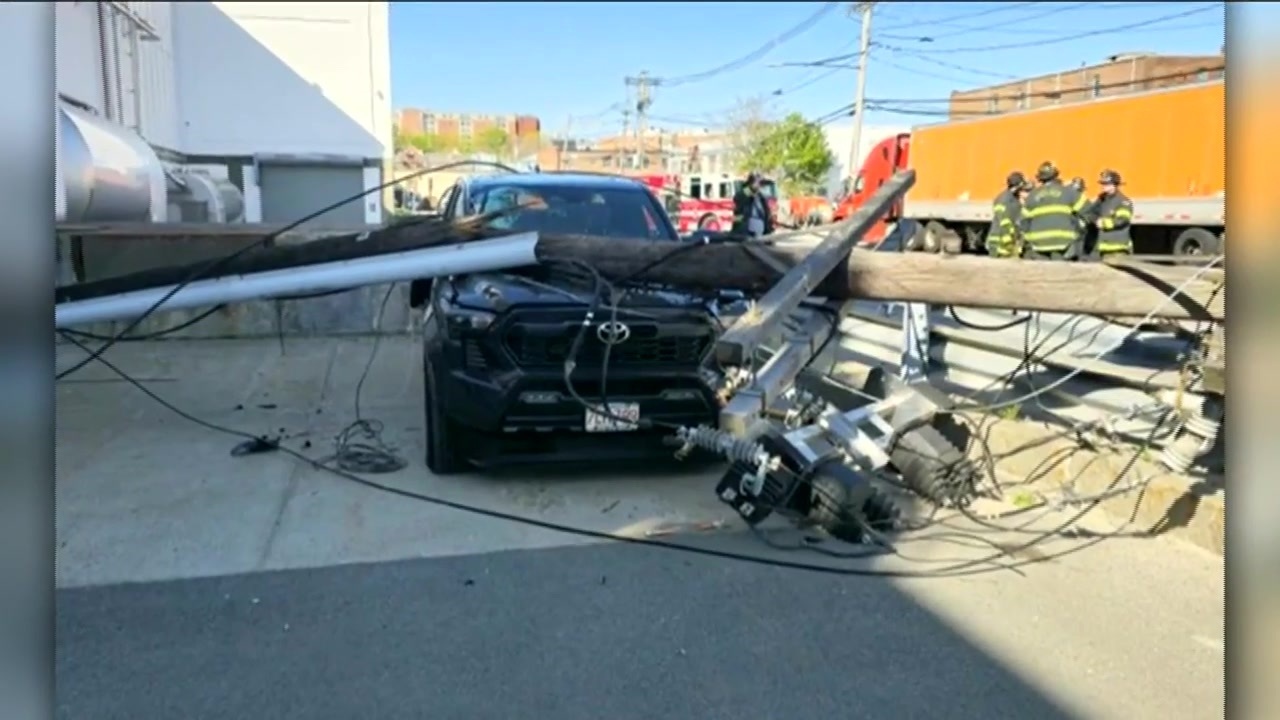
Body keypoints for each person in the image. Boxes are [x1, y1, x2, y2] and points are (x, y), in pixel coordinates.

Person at [1019, 160, 1088, 259]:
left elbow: (1023, 222)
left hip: (1039, 245)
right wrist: (1078, 230)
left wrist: (1029, 240)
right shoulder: (1069, 192)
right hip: (1063, 244)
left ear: (1040, 178)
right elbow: (1088, 212)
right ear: (1056, 175)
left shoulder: (1032, 196)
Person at [1089, 169, 1135, 257]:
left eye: (1106, 184)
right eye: (1102, 183)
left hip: (1118, 249)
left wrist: (1104, 223)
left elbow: (1122, 220)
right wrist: (1096, 220)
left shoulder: (1123, 201)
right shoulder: (1102, 198)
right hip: (1104, 248)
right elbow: (1092, 213)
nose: (1103, 186)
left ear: (1114, 185)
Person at [986, 171, 1027, 258]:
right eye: (1022, 186)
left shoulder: (1014, 199)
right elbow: (1004, 222)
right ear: (1017, 186)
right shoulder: (1003, 199)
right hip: (999, 244)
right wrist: (1008, 243)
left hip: (1007, 244)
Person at [731, 172, 774, 238]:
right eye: (760, 183)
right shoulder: (744, 193)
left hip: (761, 233)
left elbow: (766, 215)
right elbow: (739, 198)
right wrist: (752, 188)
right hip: (745, 233)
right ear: (751, 183)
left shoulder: (761, 197)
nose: (761, 186)